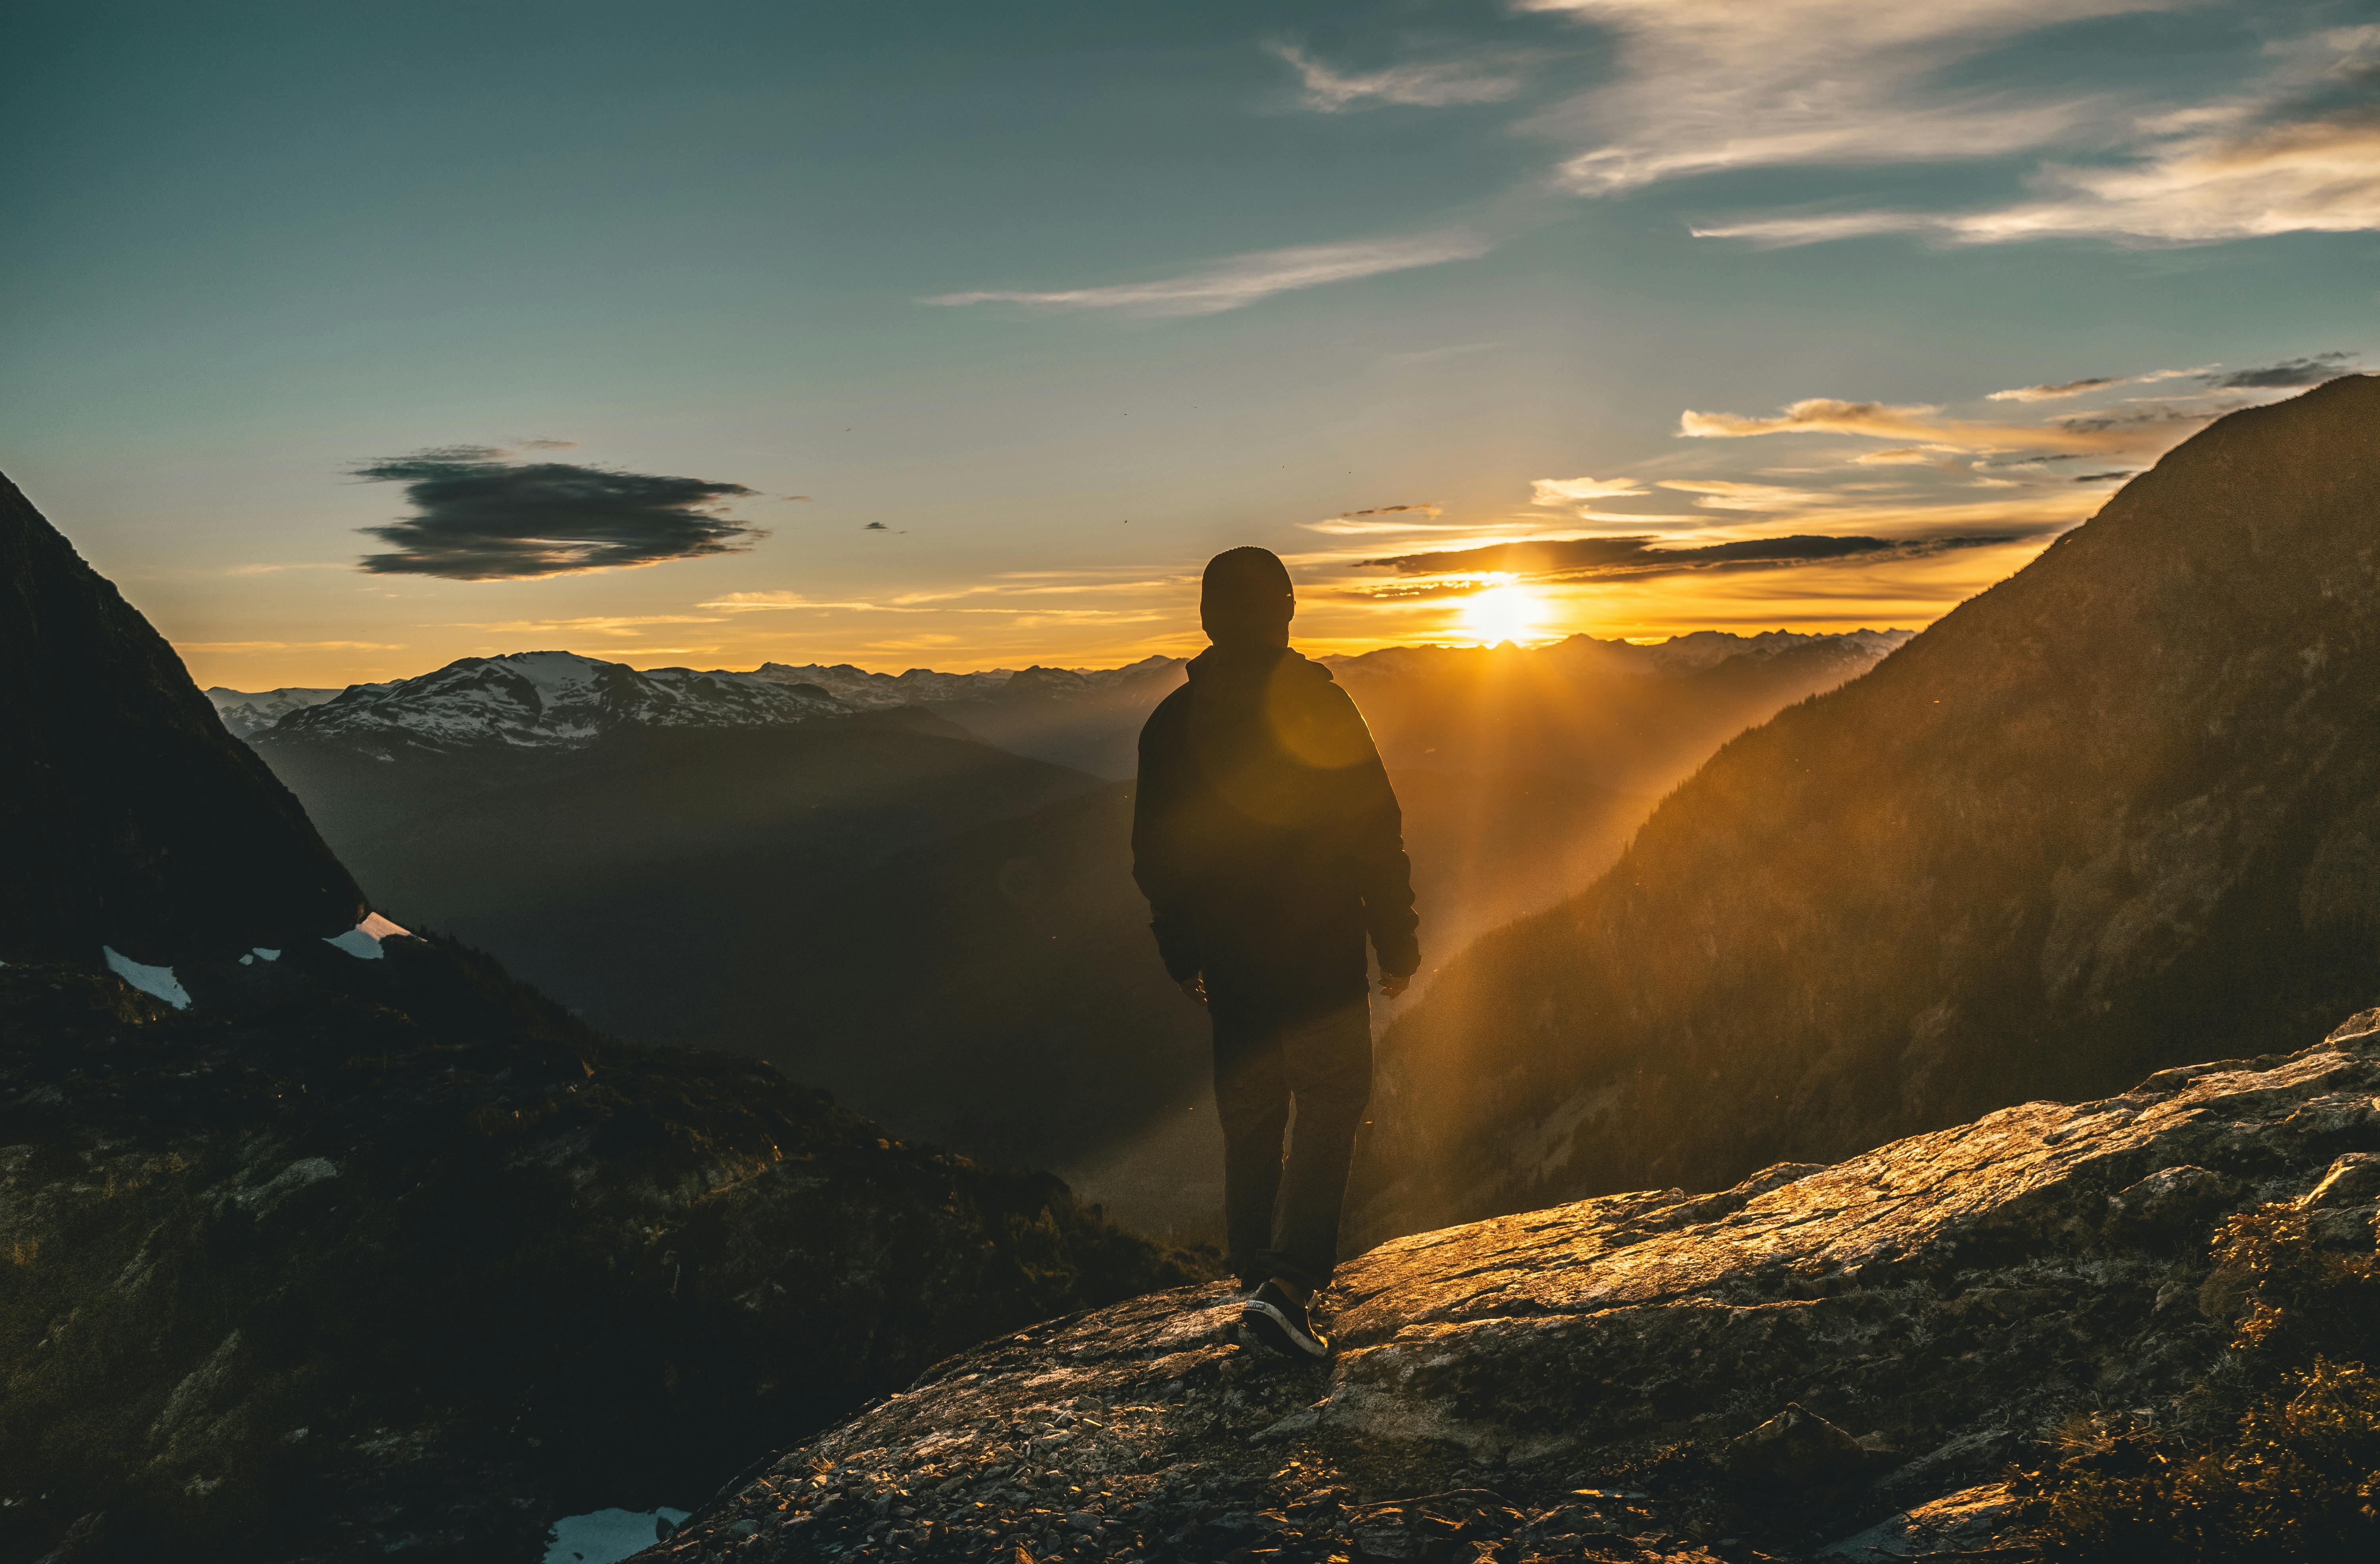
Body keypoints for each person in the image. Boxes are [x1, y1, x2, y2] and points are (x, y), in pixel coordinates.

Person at [1131, 546, 1419, 1361]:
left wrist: (1180, 952)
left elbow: (1157, 858)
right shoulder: (1321, 707)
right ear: (1287, 612)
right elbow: (1377, 835)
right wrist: (1397, 942)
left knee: (1253, 1122)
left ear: (1208, 620)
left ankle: (1251, 1276)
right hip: (1320, 957)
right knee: (1331, 1104)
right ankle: (1287, 1288)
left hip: (1232, 966)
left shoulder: (1172, 725)